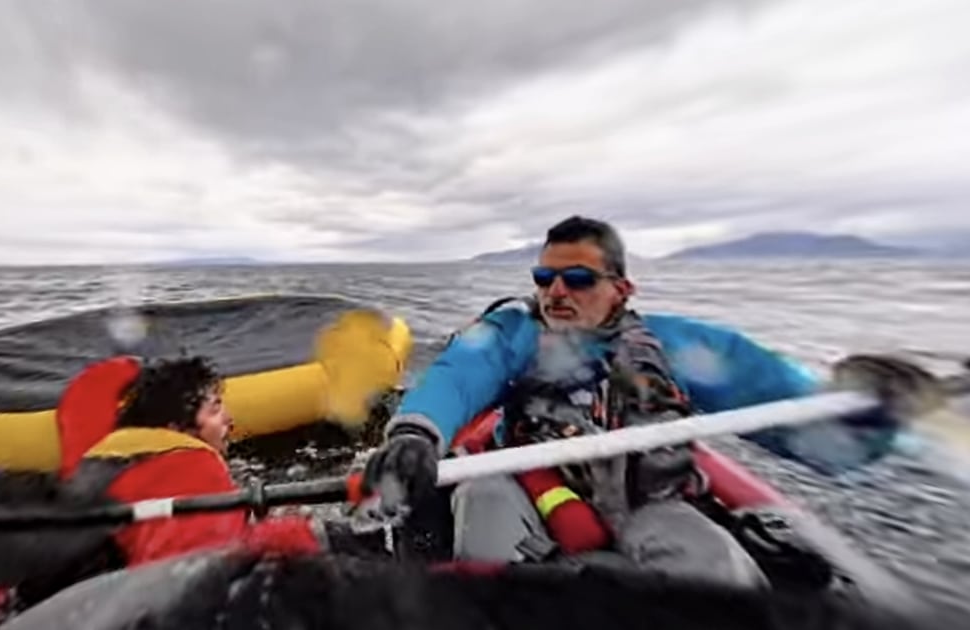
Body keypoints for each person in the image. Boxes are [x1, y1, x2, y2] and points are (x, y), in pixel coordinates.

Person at [359, 215, 943, 586]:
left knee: (717, 571)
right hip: (527, 486)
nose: (556, 292)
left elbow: (791, 408)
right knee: (481, 519)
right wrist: (415, 432)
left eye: (579, 279)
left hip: (648, 500)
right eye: (545, 278)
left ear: (621, 288)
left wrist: (864, 410)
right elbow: (460, 375)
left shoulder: (680, 345)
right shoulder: (513, 334)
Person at [62, 355, 330, 567]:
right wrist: (294, 533)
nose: (229, 420)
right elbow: (199, 568)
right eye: (214, 410)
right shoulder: (189, 466)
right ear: (177, 428)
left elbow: (85, 396)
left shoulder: (93, 462)